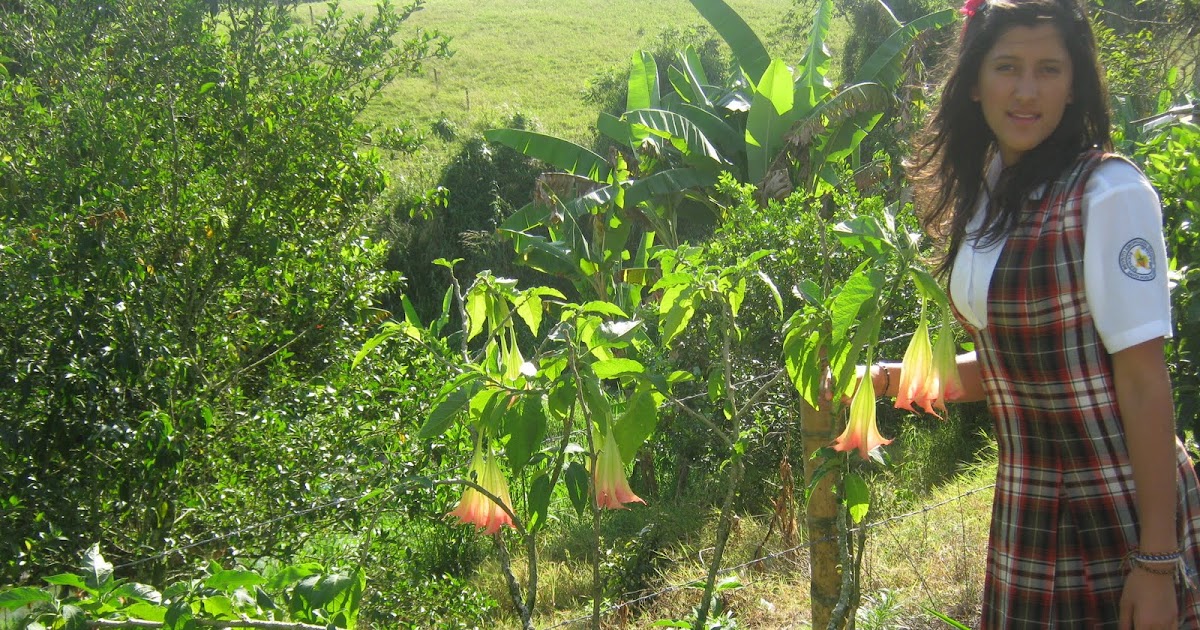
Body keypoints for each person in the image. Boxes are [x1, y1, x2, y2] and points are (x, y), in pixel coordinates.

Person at [866, 0, 1200, 627]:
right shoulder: (989, 190)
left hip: (1121, 509)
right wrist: (883, 382)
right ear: (972, 81)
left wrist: (1157, 564)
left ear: (1075, 84)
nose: (1026, 91)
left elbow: (1143, 380)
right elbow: (1018, 368)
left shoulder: (1110, 194)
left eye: (1049, 69)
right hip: (1027, 504)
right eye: (1006, 67)